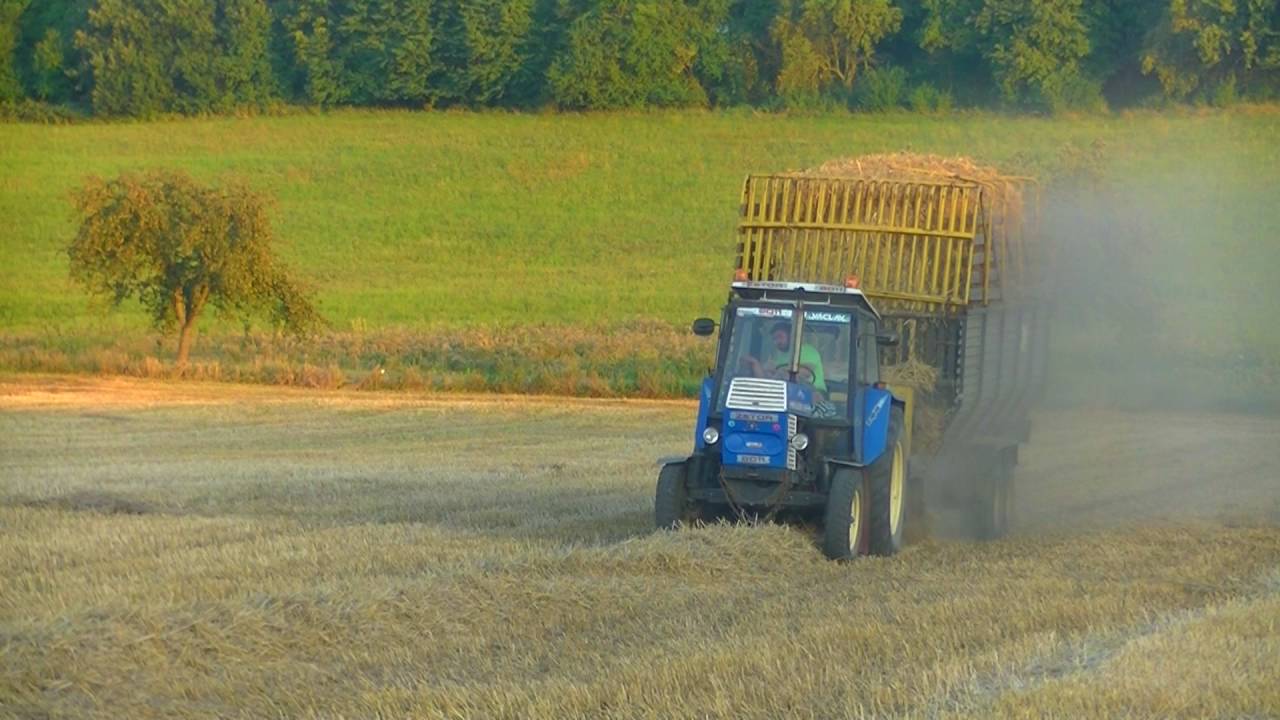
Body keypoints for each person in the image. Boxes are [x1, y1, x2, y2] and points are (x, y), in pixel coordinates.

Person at [743, 321, 827, 393]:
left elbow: (804, 374)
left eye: (780, 337)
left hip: (814, 394)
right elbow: (768, 380)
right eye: (774, 339)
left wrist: (777, 371)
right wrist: (756, 364)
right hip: (786, 393)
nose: (777, 342)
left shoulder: (808, 351)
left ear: (791, 336)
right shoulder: (778, 355)